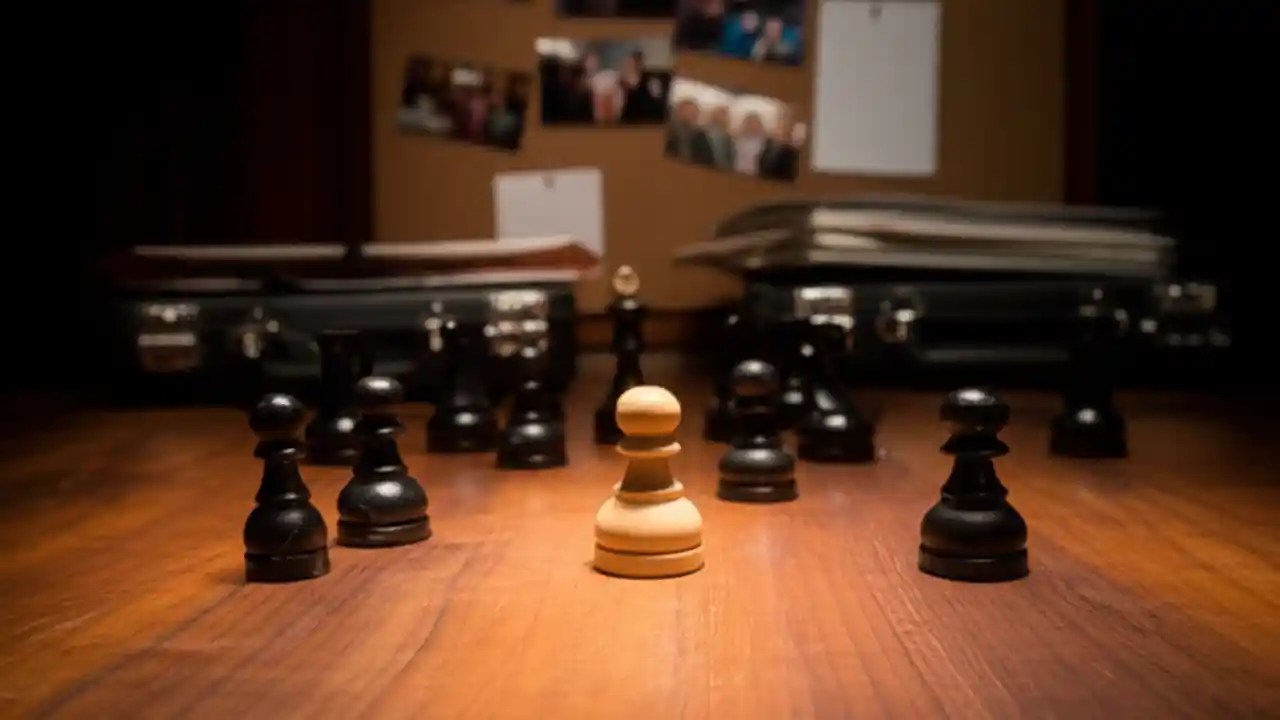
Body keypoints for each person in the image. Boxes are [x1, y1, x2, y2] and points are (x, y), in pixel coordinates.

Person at [665, 98, 715, 165]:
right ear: (679, 112)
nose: (693, 114)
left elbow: (708, 158)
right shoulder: (671, 131)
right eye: (689, 110)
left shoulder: (699, 134)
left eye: (695, 111)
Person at [758, 109, 800, 180]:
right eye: (782, 120)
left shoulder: (794, 149)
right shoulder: (768, 143)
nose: (783, 124)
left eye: (787, 121)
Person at [703, 105, 735, 170]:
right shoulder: (705, 132)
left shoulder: (727, 137)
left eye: (725, 115)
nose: (724, 118)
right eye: (721, 114)